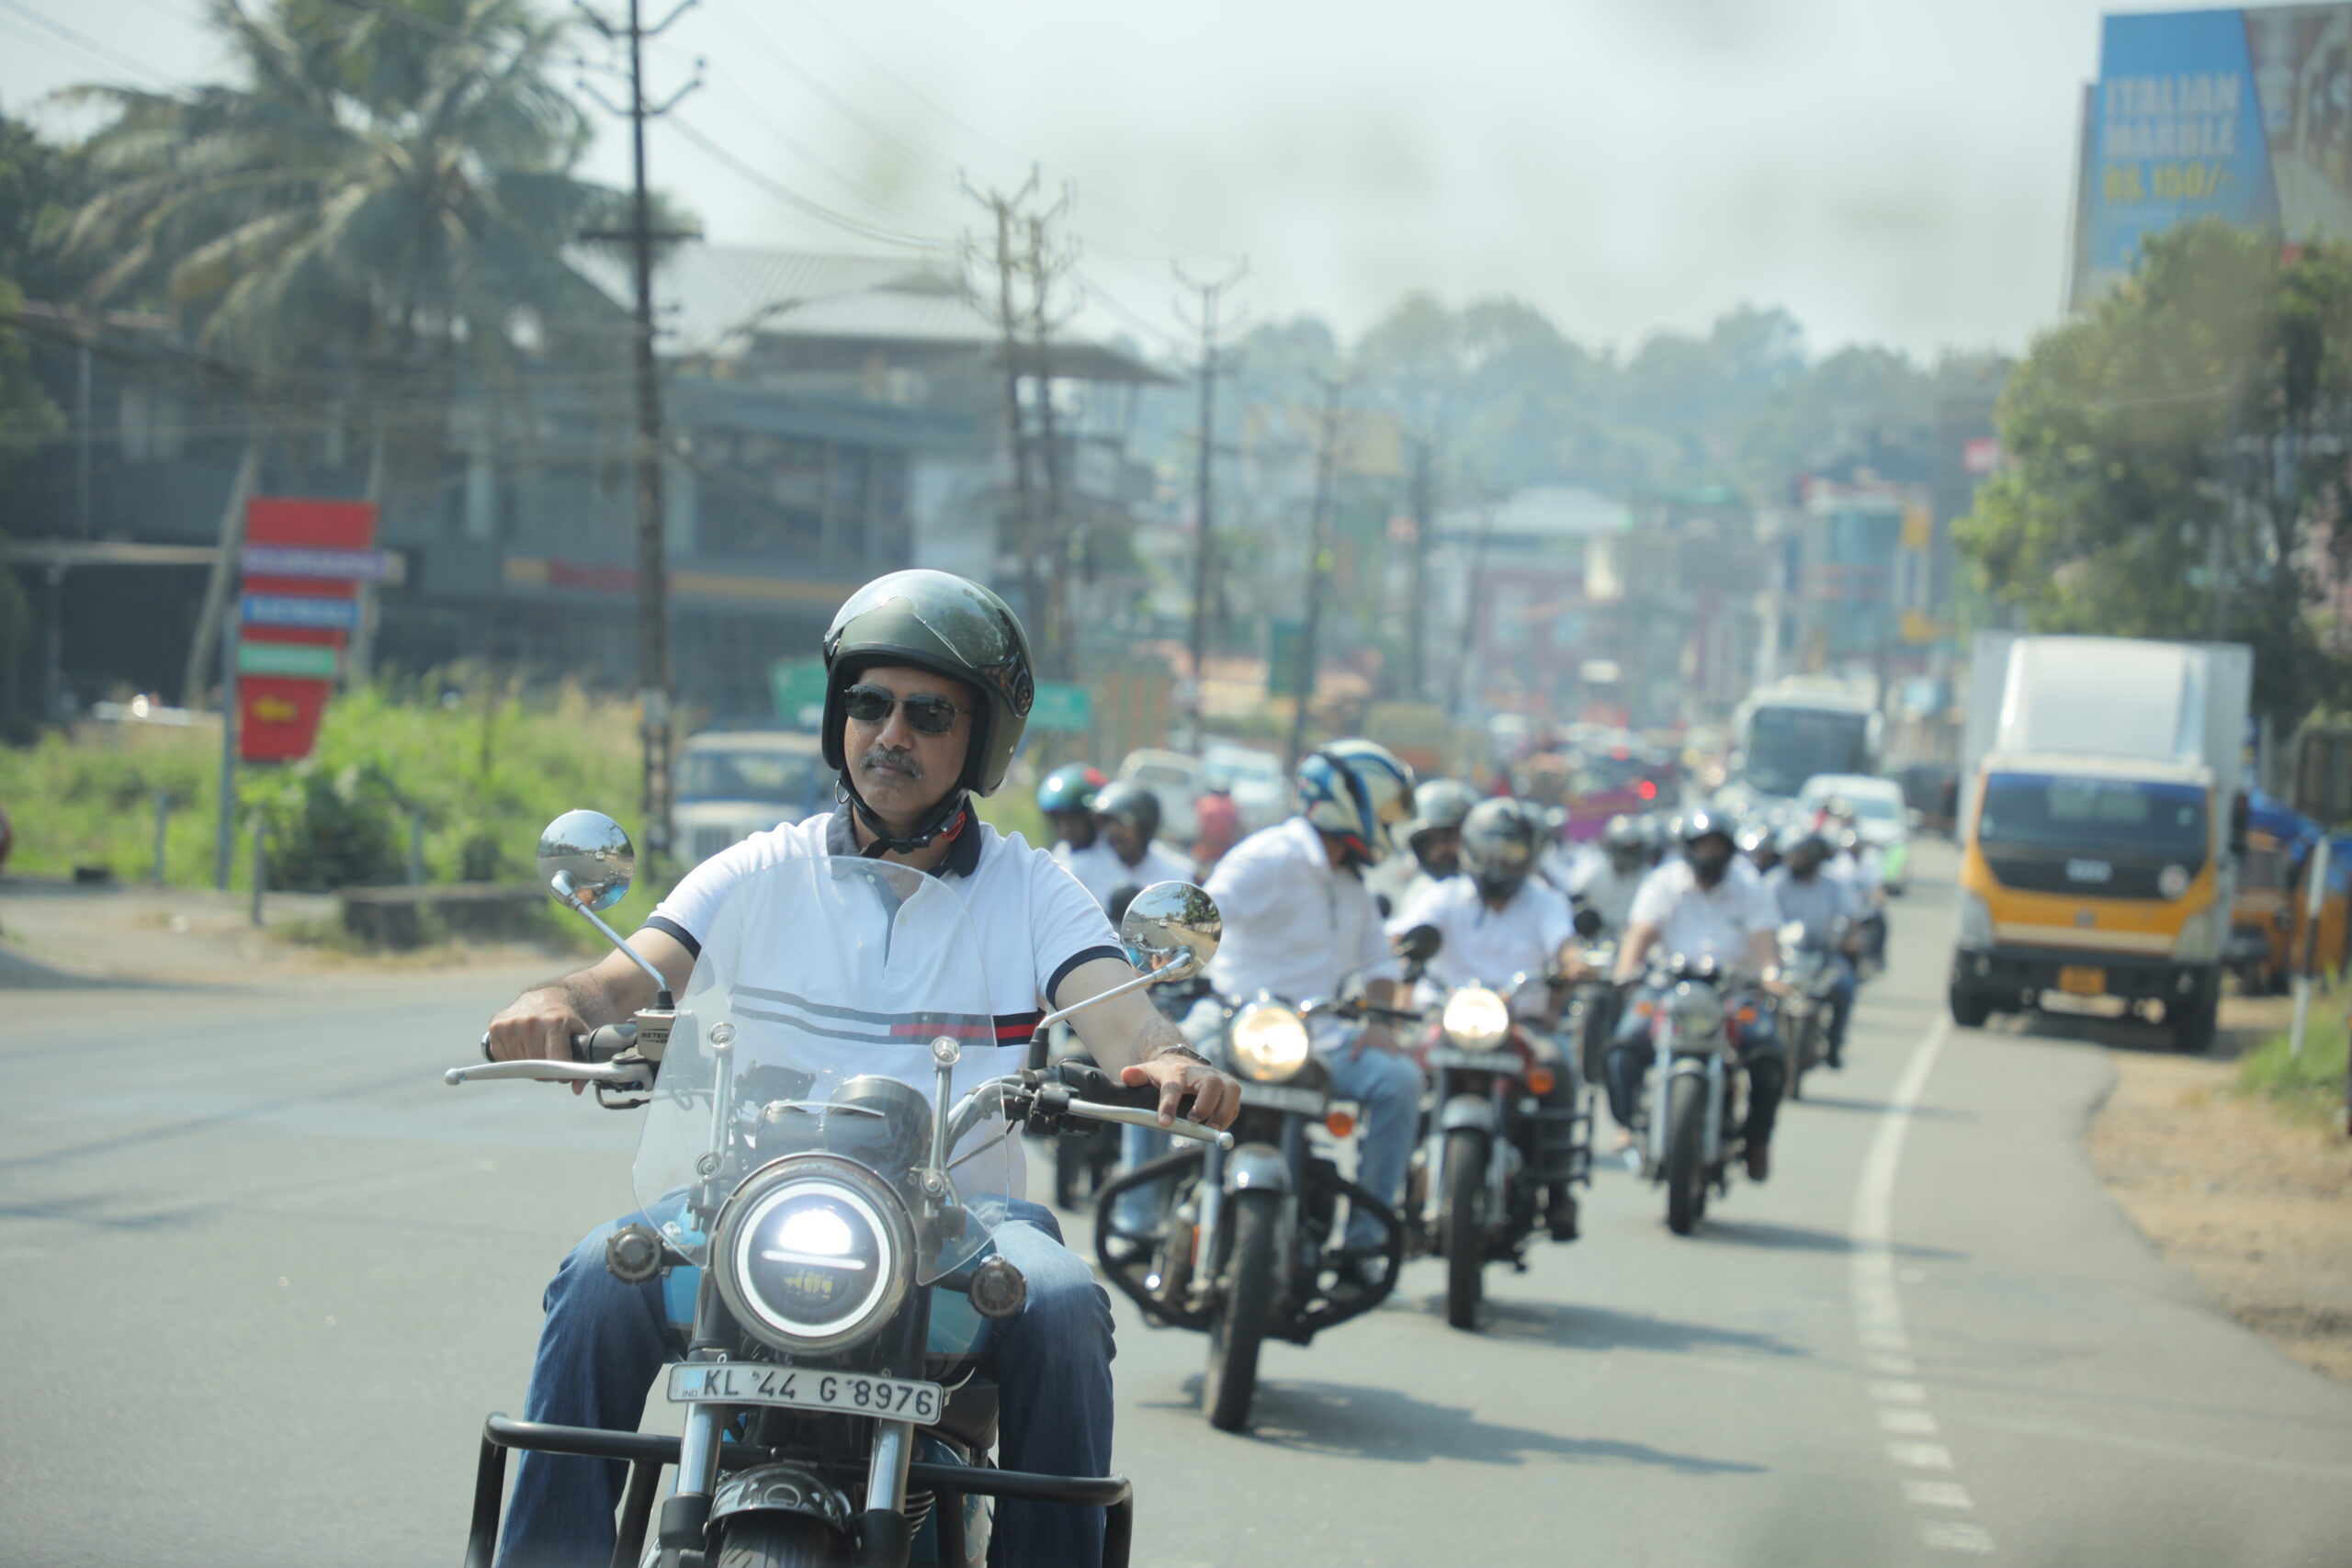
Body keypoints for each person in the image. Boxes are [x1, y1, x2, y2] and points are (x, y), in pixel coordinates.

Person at [480, 570, 1240, 1568]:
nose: (892, 734)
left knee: (1060, 1303)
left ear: (984, 739)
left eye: (930, 714)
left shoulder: (1033, 890)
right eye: (870, 704)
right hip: (744, 1201)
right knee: (596, 1277)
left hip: (960, 1223)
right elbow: (628, 976)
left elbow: (1124, 1019)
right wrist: (558, 1003)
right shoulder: (761, 867)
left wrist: (1172, 1059)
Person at [1200, 739, 1422, 1280]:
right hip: (1232, 1025)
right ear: (1350, 801)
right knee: (1155, 1062)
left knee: (1401, 1081)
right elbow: (1200, 917)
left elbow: (1383, 967)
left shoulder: (1352, 885)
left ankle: (1365, 1246)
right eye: (1385, 812)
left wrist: (1378, 1022)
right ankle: (1139, 1219)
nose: (1389, 828)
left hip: (1317, 1042)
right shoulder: (1268, 857)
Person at [1394, 796, 1592, 1240]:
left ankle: (1559, 1192)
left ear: (1531, 854)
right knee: (1398, 1070)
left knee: (1557, 1066)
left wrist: (1574, 963)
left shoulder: (1546, 902)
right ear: (1470, 848)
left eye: (1511, 851)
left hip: (1521, 1023)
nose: (1500, 862)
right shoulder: (1442, 897)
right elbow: (1406, 934)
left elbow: (1566, 946)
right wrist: (1396, 945)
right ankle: (1389, 1189)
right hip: (1442, 1017)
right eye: (1491, 850)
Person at [1602, 810, 1789, 1180]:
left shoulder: (1750, 887)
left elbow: (1765, 943)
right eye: (1703, 846)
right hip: (1667, 988)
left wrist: (1771, 976)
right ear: (1688, 848)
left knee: (1769, 1050)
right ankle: (1628, 1125)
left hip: (1731, 992)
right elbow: (1640, 933)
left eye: (1717, 846)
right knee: (1623, 1044)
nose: (1710, 854)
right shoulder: (1664, 882)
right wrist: (1626, 971)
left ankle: (1756, 1140)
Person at [1765, 827, 1863, 1067]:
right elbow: (1761, 919)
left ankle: (1833, 1045)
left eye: (1800, 855)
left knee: (1845, 987)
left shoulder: (1834, 884)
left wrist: (1849, 938)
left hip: (1824, 956)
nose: (1793, 860)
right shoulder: (1775, 882)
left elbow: (1851, 915)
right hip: (1784, 956)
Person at [1062, 778, 1195, 910]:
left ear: (1144, 826)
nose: (1113, 831)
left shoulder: (1177, 876)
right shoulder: (1080, 868)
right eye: (1107, 822)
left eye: (1121, 823)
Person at [1368, 775, 1475, 913]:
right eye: (1431, 842)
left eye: (1450, 838)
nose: (1440, 849)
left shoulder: (1489, 897)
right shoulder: (1419, 894)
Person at [1566, 813, 1649, 933]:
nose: (1633, 855)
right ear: (1613, 848)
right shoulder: (1594, 875)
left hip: (1639, 937)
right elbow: (1576, 904)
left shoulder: (1649, 878)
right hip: (1603, 938)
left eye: (1637, 849)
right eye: (1628, 850)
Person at [1038, 761, 1108, 858]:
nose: (1065, 829)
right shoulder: (1057, 856)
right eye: (1058, 820)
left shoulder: (1116, 857)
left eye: (1072, 820)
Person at [1191, 769, 1242, 868]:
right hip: (1224, 849)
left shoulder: (1205, 803)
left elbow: (1198, 827)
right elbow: (1238, 829)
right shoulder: (1233, 806)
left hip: (1207, 847)